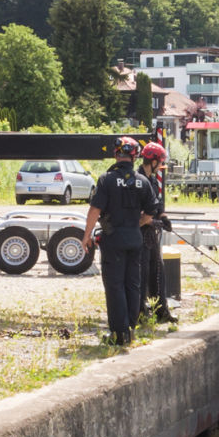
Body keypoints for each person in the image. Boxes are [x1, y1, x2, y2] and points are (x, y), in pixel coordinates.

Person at [84, 136, 157, 346]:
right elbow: (150, 215)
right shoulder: (143, 182)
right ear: (134, 157)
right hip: (135, 239)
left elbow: (95, 209)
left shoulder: (106, 179)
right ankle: (130, 330)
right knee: (133, 284)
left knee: (115, 286)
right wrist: (133, 225)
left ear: (116, 154)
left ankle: (118, 333)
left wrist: (86, 235)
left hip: (113, 240)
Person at [137, 141, 177, 323]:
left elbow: (157, 204)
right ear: (152, 161)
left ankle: (162, 310)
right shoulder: (138, 179)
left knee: (158, 271)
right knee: (142, 272)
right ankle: (140, 311)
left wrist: (164, 217)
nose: (160, 167)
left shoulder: (152, 180)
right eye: (159, 163)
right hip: (140, 233)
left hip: (151, 234)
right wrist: (153, 220)